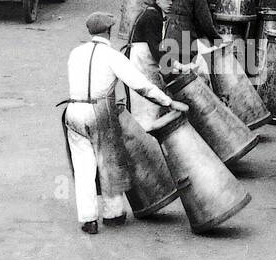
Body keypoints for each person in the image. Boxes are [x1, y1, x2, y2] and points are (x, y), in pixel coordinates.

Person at [61, 12, 186, 235]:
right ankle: (113, 213)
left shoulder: (75, 53)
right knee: (109, 162)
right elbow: (141, 85)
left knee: (83, 166)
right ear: (108, 31)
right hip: (100, 111)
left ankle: (88, 219)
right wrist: (168, 101)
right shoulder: (112, 56)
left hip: (72, 110)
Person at [126, 0, 183, 129]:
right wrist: (175, 67)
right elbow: (156, 49)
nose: (170, 3)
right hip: (142, 61)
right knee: (148, 103)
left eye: (173, 0)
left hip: (143, 59)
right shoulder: (153, 16)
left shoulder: (154, 13)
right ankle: (147, 138)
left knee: (148, 101)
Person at [172, 0, 218, 78]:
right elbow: (205, 22)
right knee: (186, 80)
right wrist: (217, 40)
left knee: (171, 77)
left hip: (167, 38)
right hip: (185, 43)